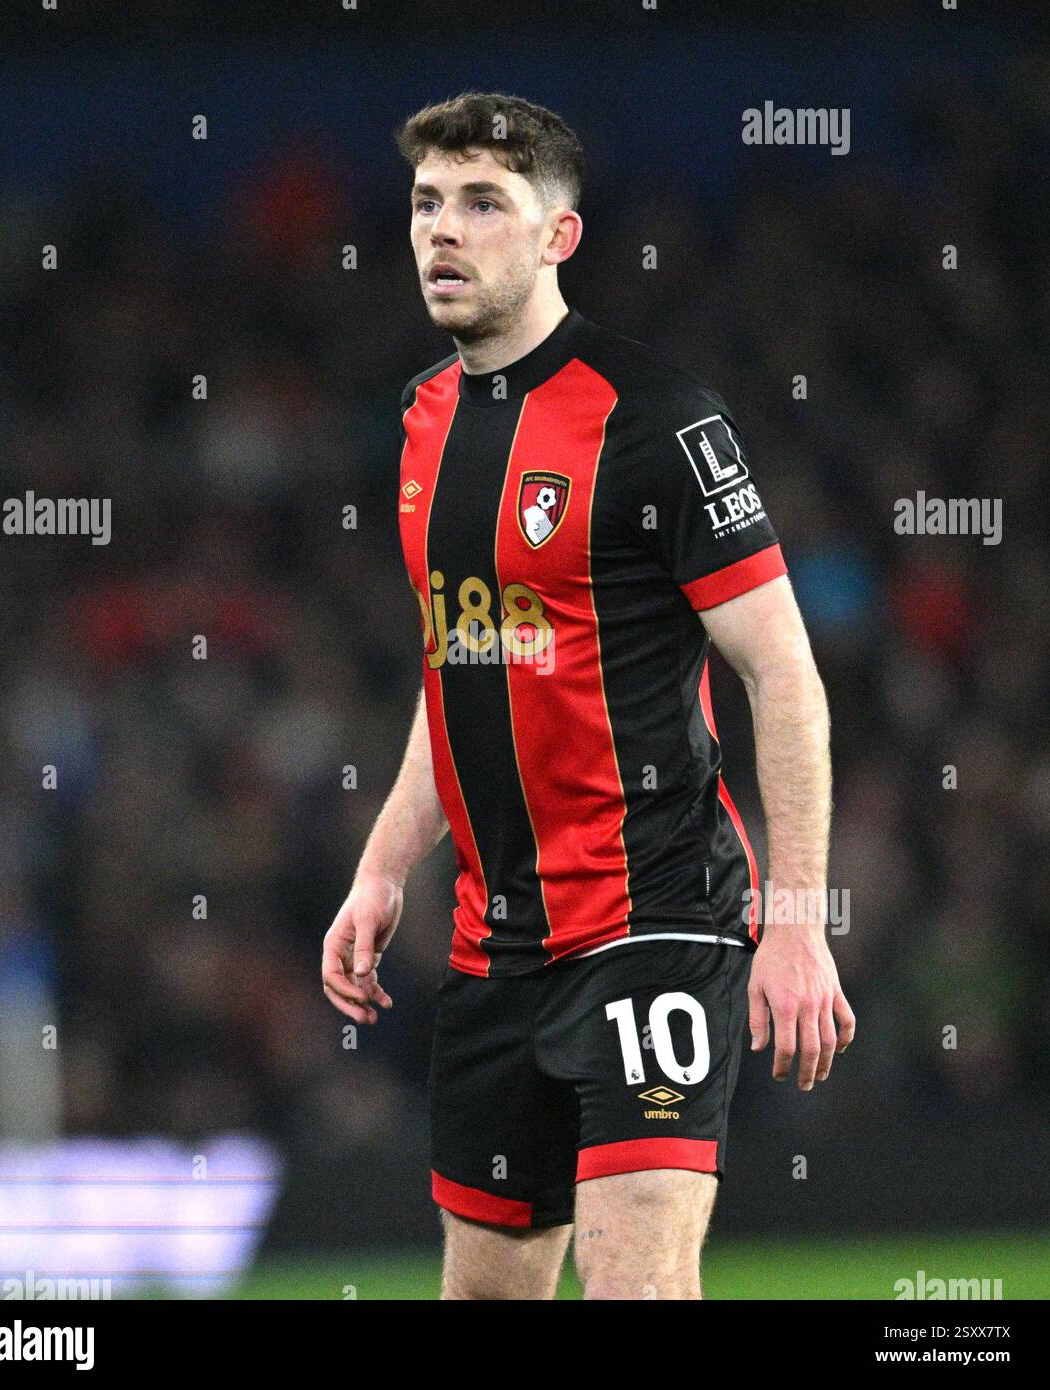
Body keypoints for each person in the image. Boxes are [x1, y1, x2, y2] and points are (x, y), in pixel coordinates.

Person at [323, 90, 855, 1300]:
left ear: (557, 236)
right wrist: (383, 863)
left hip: (653, 920)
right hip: (496, 942)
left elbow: (782, 674)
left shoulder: (658, 422)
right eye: (424, 204)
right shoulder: (421, 421)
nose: (440, 232)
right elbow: (457, 658)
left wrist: (797, 917)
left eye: (481, 203)